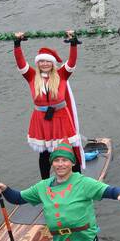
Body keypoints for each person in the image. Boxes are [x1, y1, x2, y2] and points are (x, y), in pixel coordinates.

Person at [14, 33, 82, 177]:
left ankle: (78, 178)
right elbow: (21, 63)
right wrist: (17, 44)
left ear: (52, 63)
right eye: (41, 61)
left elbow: (72, 62)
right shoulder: (31, 76)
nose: (44, 64)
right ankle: (45, 182)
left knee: (67, 150)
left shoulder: (62, 74)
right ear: (37, 63)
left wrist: (73, 44)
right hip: (41, 120)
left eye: (48, 61)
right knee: (44, 154)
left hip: (61, 118)